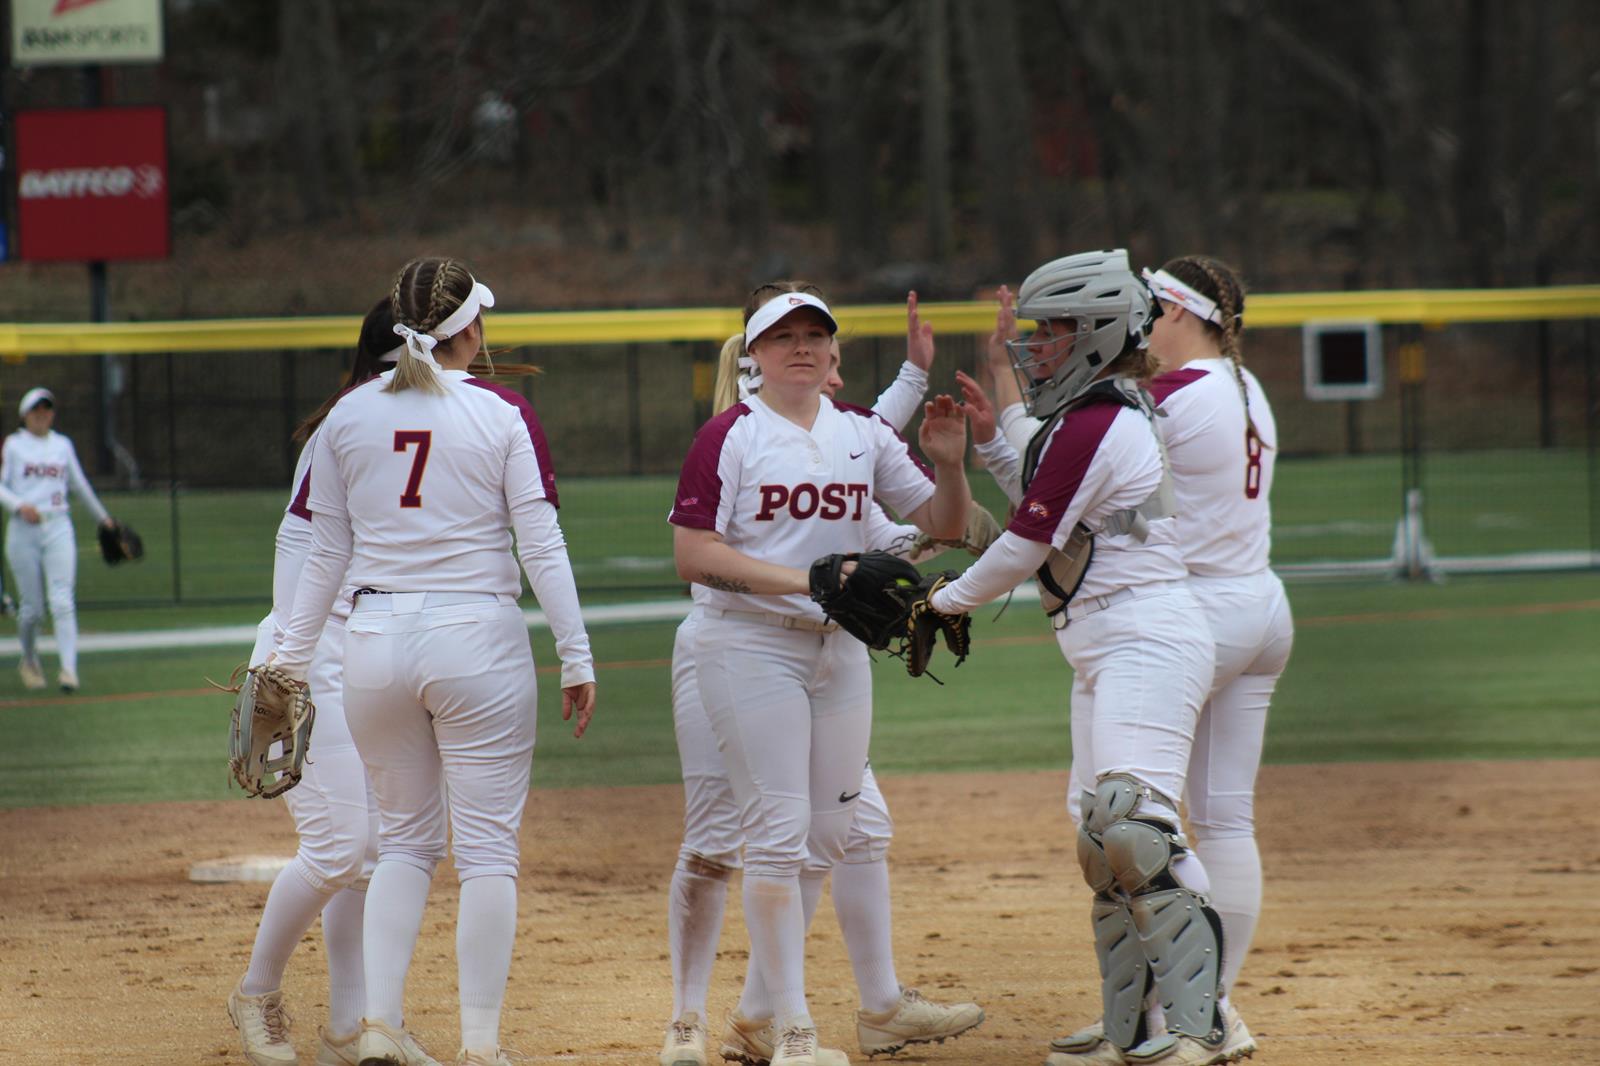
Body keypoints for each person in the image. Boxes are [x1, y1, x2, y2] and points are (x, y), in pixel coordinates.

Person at [274, 257, 596, 1066]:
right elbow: (541, 543)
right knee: (486, 851)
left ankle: (379, 1023)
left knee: (406, 846)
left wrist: (287, 663)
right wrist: (576, 652)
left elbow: (324, 559)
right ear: (471, 331)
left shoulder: (347, 417)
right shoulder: (503, 412)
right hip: (475, 639)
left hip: (374, 644)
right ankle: (481, 1046)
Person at [929, 249, 1242, 1066]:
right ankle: (1133, 1029)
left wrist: (944, 601)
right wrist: (997, 448)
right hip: (1109, 643)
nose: (1037, 347)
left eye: (1054, 330)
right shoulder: (1091, 417)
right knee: (1103, 843)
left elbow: (1029, 541)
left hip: (1146, 635)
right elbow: (1053, 495)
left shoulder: (1102, 420)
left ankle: (1208, 1024)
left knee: (1138, 833)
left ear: (1101, 334)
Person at [660, 285, 983, 1066]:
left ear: (835, 351)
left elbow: (943, 526)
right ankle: (794, 1032)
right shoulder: (730, 435)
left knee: (832, 834)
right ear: (757, 351)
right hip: (747, 646)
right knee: (771, 836)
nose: (801, 346)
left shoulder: (862, 433)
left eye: (816, 334)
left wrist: (951, 466)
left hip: (837, 653)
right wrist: (808, 580)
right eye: (783, 336)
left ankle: (771, 1015)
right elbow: (693, 556)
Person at [226, 300, 428, 1066]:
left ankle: (350, 1026)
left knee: (373, 852)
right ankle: (256, 992)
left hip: (380, 650)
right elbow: (297, 548)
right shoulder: (352, 422)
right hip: (318, 652)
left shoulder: (433, 422)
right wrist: (289, 661)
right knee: (342, 848)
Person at [1139, 256, 1292, 1050]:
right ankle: (1210, 1005)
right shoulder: (1245, 383)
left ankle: (1190, 1010)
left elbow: (1078, 453)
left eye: (1151, 304)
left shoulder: (1176, 391)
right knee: (1228, 820)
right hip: (1261, 604)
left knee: (1142, 826)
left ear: (1177, 308)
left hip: (1198, 615)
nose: (1142, 317)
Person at [0, 387, 120, 692]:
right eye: (36, 410)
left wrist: (104, 520)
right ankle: (29, 659)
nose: (42, 415)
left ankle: (69, 670)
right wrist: (18, 505)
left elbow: (79, 485)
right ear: (25, 415)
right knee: (32, 609)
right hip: (22, 528)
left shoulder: (62, 445)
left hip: (57, 525)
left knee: (63, 601)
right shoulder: (14, 445)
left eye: (47, 409)